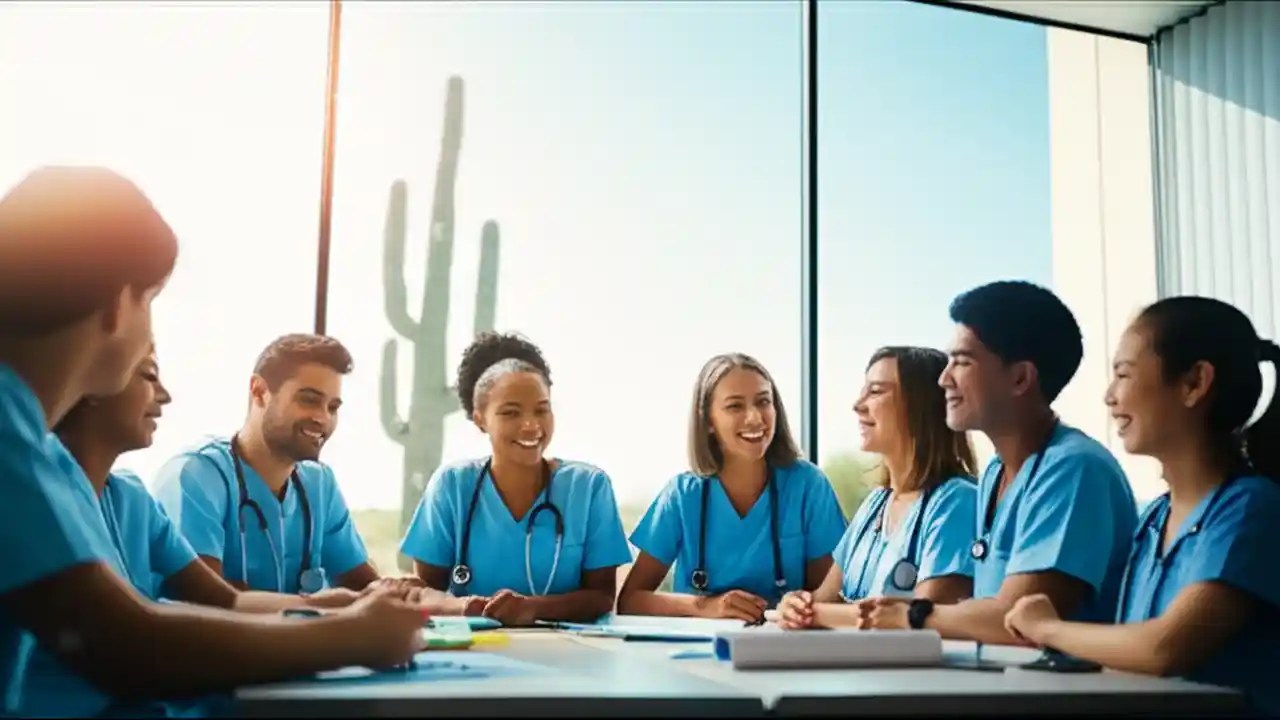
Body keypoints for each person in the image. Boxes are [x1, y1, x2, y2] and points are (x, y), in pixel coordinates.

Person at [0, 167, 422, 718]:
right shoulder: (12, 434)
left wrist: (327, 614)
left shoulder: (43, 455)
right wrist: (352, 639)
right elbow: (121, 643)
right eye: (149, 301)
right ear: (116, 303)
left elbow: (188, 608)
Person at [1005, 296, 1280, 714]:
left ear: (1194, 384)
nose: (1109, 397)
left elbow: (1163, 649)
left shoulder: (1249, 510)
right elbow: (1127, 654)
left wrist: (1048, 627)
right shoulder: (1154, 519)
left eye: (1124, 374)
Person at [859, 281, 1137, 641]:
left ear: (1020, 377)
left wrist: (912, 614)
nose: (944, 379)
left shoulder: (1074, 470)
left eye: (961, 362)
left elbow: (1016, 621)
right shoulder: (994, 475)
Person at [56, 347, 362, 610]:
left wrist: (326, 607)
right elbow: (150, 621)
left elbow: (223, 600)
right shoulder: (45, 500)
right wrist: (328, 617)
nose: (165, 396)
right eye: (149, 375)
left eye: (333, 407)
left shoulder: (132, 497)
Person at [400, 332, 633, 625]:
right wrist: (471, 608)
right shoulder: (452, 486)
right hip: (475, 648)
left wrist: (533, 608)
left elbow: (601, 596)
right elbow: (426, 593)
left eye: (541, 410)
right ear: (480, 419)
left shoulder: (587, 487)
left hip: (567, 652)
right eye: (511, 413)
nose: (530, 425)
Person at [154, 334, 400, 596]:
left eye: (333, 407)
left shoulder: (319, 485)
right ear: (259, 392)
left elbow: (362, 584)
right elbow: (206, 598)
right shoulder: (195, 476)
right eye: (308, 399)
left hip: (299, 636)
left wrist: (400, 592)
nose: (322, 417)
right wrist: (322, 609)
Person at [618, 353, 848, 623]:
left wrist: (797, 608)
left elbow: (831, 597)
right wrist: (705, 606)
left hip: (782, 649)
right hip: (698, 654)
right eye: (735, 406)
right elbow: (630, 601)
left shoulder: (807, 486)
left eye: (763, 401)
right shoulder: (684, 495)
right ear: (708, 421)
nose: (754, 418)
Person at [778, 346, 978, 630]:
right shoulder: (875, 505)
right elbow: (824, 600)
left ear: (919, 406)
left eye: (875, 391)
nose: (858, 405)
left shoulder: (958, 502)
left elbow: (921, 619)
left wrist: (815, 615)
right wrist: (795, 605)